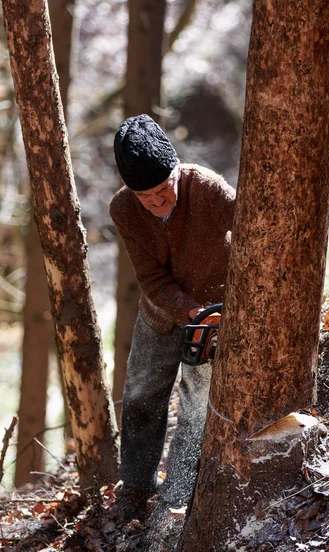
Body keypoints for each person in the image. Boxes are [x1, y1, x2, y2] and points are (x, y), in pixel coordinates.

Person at [109, 114, 236, 520]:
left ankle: (176, 498)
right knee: (142, 395)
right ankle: (135, 487)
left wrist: (217, 313)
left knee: (196, 406)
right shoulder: (123, 209)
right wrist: (189, 311)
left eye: (165, 188)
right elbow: (150, 278)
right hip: (161, 312)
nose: (158, 200)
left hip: (215, 315)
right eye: (147, 196)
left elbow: (257, 232)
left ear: (177, 169)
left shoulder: (209, 189)